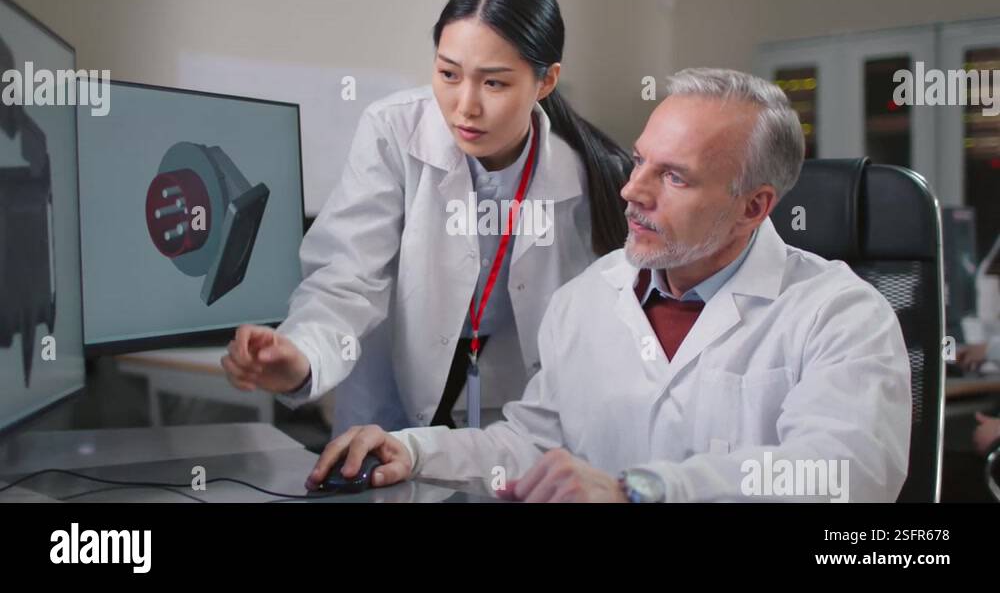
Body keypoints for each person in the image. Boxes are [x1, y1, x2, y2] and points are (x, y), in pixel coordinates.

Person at [306, 68, 913, 503]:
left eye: (673, 177)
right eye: (641, 160)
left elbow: (843, 473)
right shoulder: (588, 297)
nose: (631, 190)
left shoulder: (838, 313)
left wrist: (642, 490)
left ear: (753, 206)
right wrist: (416, 451)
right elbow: (534, 444)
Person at [220, 0, 632, 434]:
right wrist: (304, 355)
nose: (465, 106)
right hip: (395, 391)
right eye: (448, 74)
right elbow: (348, 278)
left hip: (514, 401)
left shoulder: (586, 173)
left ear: (546, 81)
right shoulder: (393, 131)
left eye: (494, 84)